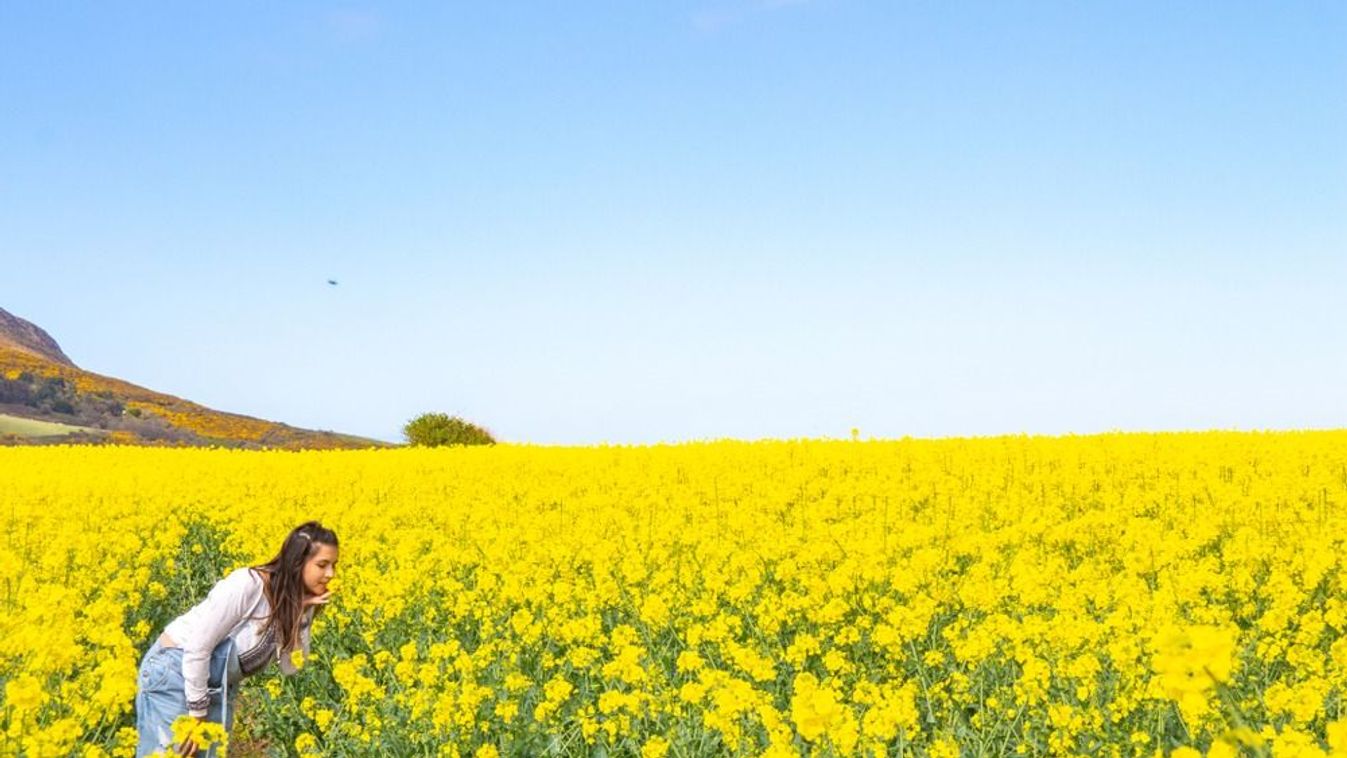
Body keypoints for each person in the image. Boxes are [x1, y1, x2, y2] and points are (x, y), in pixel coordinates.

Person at [134, 522, 338, 757]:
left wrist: (301, 613)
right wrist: (198, 714)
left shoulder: (300, 599)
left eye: (334, 565)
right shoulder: (248, 584)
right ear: (297, 562)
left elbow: (291, 666)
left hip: (216, 683)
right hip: (175, 672)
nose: (330, 574)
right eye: (322, 565)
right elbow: (198, 647)